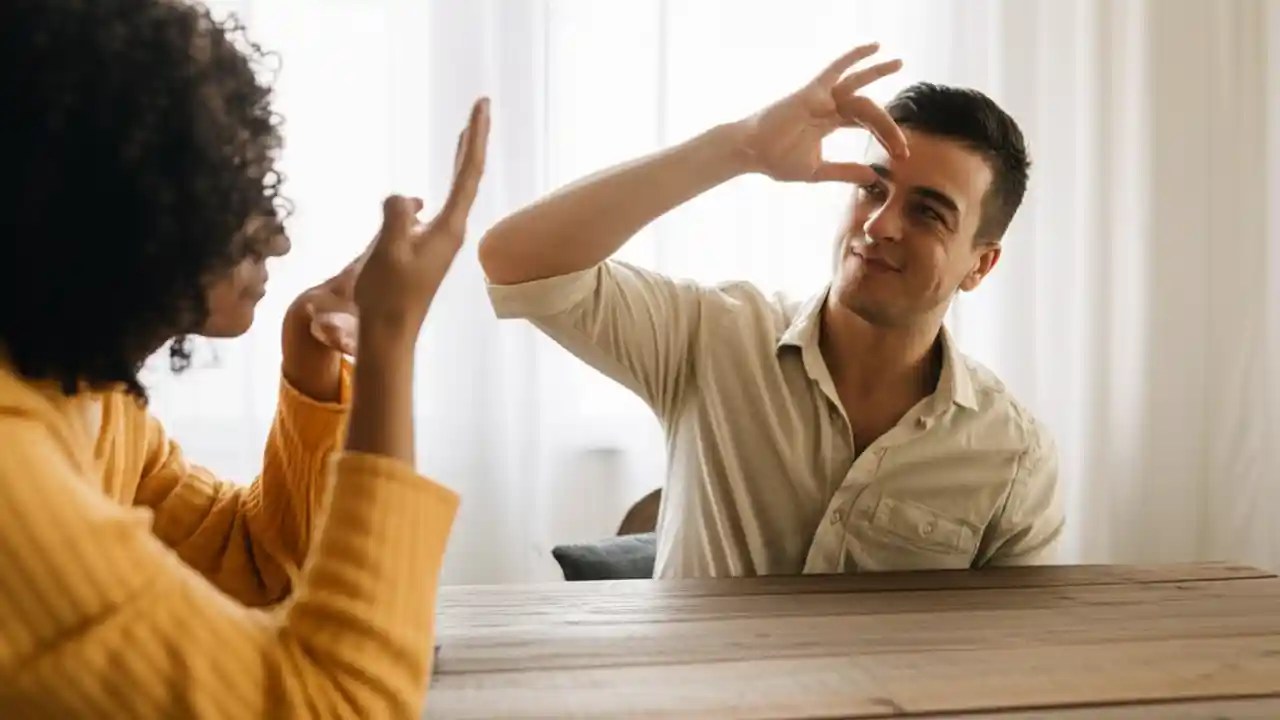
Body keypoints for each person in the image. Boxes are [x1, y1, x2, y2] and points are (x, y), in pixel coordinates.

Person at [0, 1, 488, 716]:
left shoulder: (91, 399)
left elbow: (252, 562)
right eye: (233, 188)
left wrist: (313, 378)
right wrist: (389, 340)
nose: (279, 238)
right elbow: (337, 705)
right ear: (111, 203)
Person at [480, 44, 1063, 579]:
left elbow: (1013, 656)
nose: (879, 224)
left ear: (980, 266)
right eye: (871, 188)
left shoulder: (1014, 457)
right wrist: (742, 147)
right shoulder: (712, 335)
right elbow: (515, 260)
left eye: (928, 213)